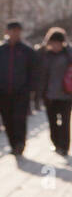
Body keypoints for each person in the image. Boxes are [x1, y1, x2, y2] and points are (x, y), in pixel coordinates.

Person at [36, 27, 72, 156]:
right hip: (49, 95)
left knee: (65, 122)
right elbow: (36, 57)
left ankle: (64, 147)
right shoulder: (45, 54)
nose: (55, 45)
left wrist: (67, 46)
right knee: (52, 122)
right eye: (52, 42)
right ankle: (56, 143)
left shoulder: (68, 54)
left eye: (58, 42)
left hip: (66, 94)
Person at [0, 20, 40, 158]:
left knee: (20, 119)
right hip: (3, 93)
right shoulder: (1, 50)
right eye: (12, 31)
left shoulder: (27, 51)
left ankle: (20, 144)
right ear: (7, 32)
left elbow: (34, 71)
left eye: (17, 31)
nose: (15, 34)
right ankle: (13, 144)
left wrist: (32, 90)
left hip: (21, 93)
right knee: (7, 120)